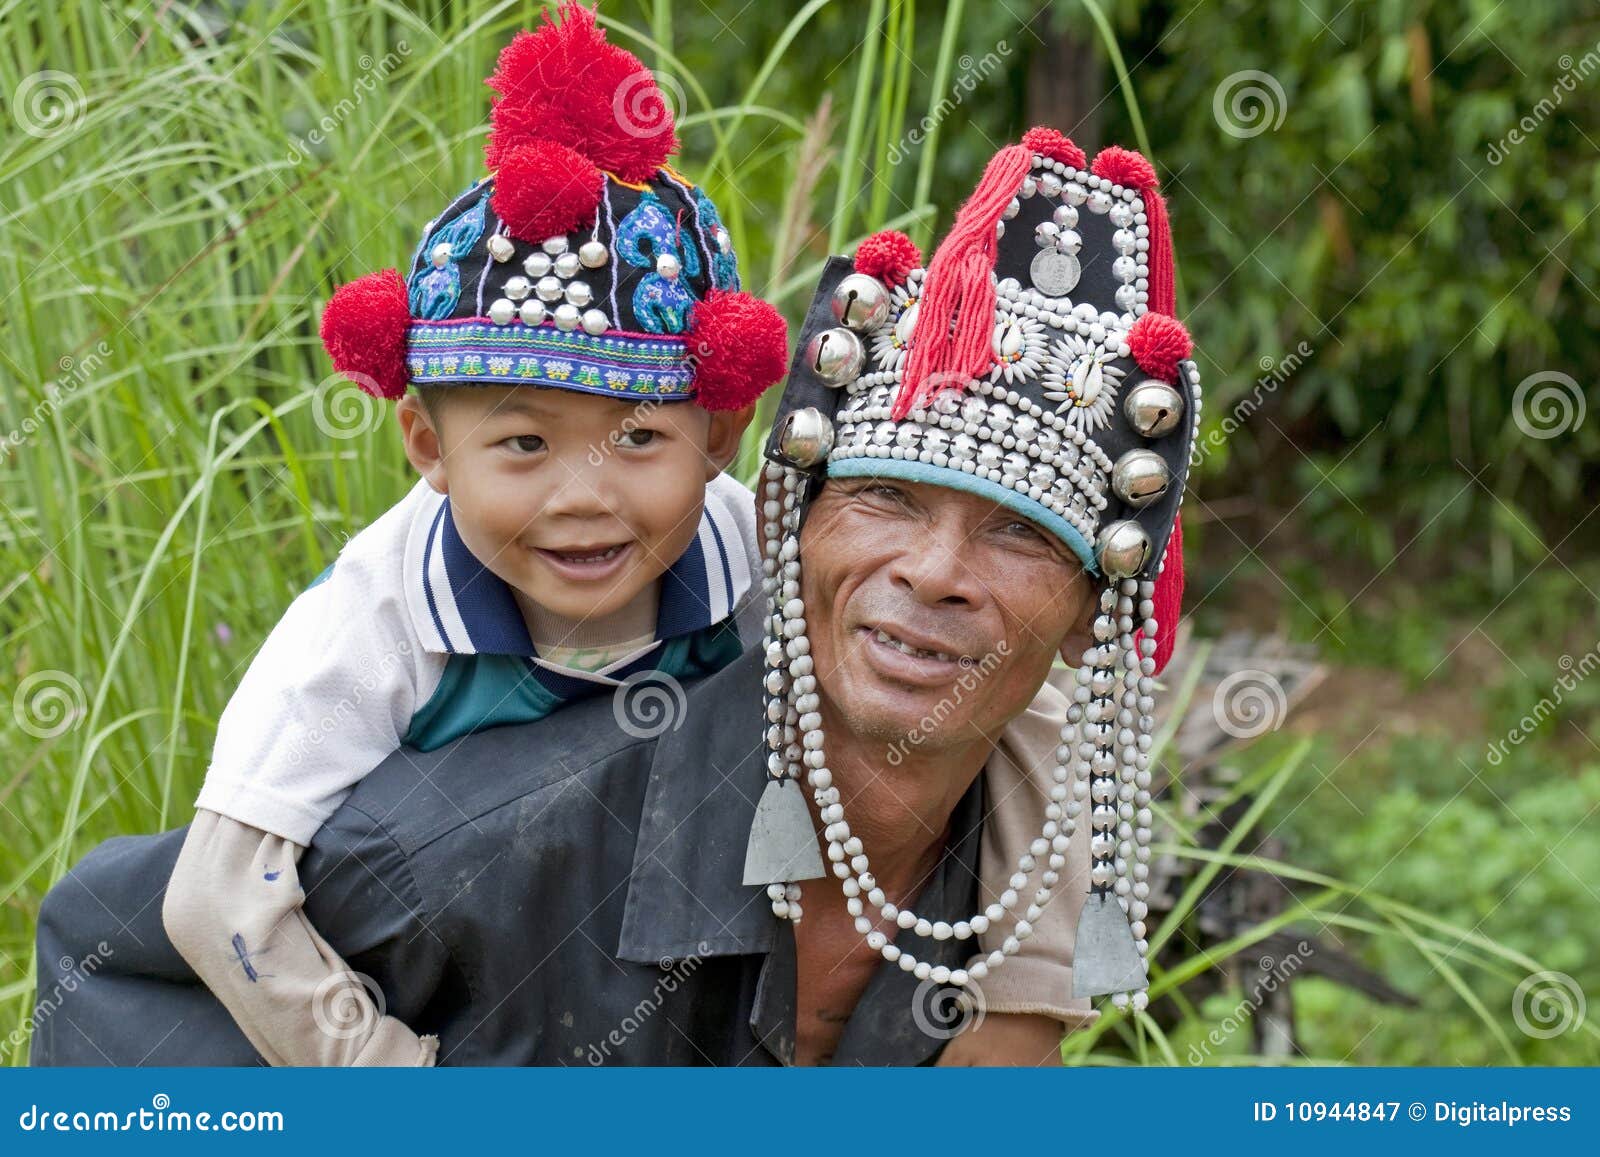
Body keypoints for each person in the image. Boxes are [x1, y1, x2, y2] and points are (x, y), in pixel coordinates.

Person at [125, 2, 1099, 1068]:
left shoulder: (752, 544)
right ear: (425, 445)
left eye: (639, 435)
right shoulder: (370, 622)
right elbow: (220, 892)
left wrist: (1021, 995)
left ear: (722, 434)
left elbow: (1026, 708)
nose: (585, 497)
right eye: (524, 445)